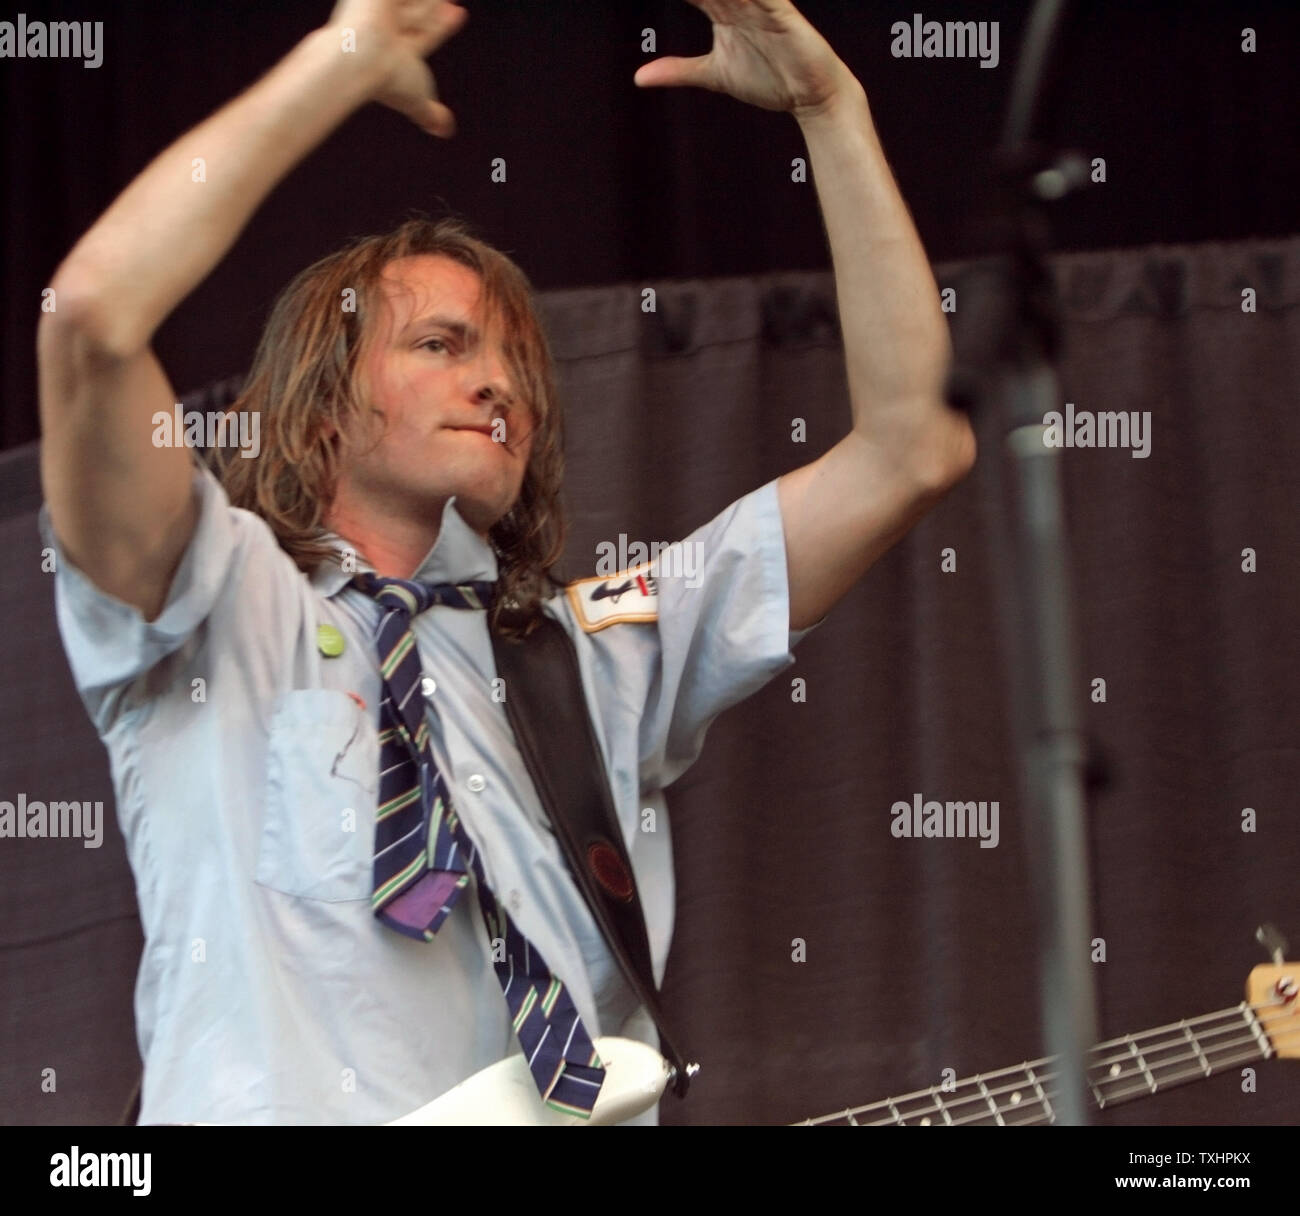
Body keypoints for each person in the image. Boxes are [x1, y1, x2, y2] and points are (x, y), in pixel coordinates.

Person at [37, 0, 975, 1125]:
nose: (501, 385)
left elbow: (911, 445)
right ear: (320, 404)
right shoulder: (212, 602)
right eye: (442, 345)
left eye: (516, 364)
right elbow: (91, 319)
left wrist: (833, 112)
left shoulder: (589, 658)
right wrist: (341, 62)